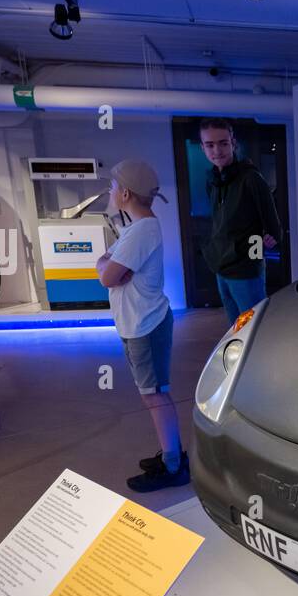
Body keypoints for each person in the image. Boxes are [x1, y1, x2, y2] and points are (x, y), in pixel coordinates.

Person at [95, 159, 188, 493]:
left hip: (146, 325)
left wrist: (109, 268)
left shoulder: (143, 229)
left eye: (111, 187)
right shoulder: (134, 229)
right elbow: (105, 266)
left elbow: (106, 275)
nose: (109, 192)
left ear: (124, 193)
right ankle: (170, 453)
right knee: (152, 394)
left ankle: (173, 464)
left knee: (155, 395)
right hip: (137, 324)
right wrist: (108, 267)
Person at [199, 118, 283, 325]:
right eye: (210, 145)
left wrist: (258, 247)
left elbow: (273, 228)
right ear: (203, 148)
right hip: (222, 266)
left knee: (253, 327)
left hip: (246, 270)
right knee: (235, 327)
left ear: (233, 143)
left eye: (223, 143)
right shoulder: (213, 180)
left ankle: (259, 358)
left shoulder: (251, 178)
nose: (216, 150)